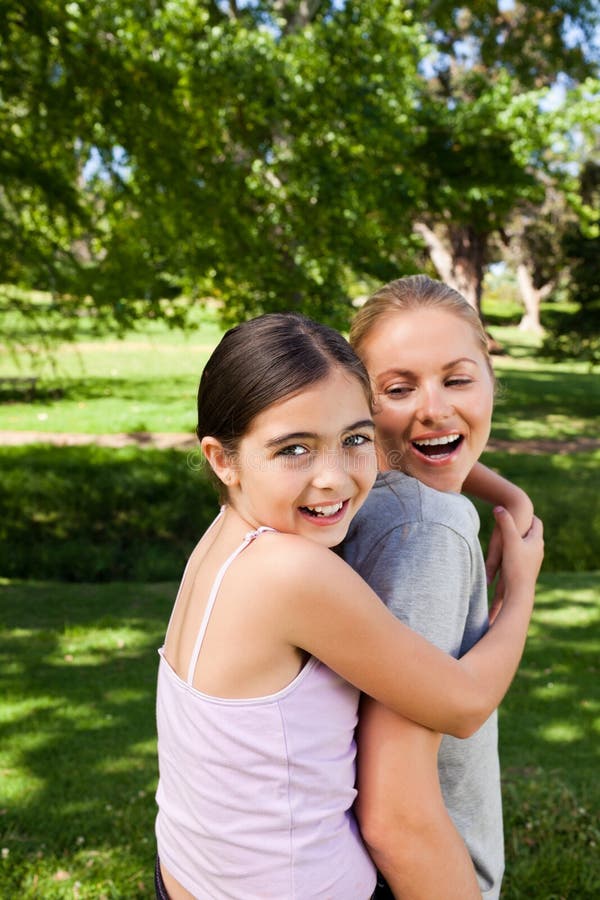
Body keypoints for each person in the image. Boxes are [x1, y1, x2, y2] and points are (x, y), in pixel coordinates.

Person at [154, 311, 543, 900]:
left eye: (354, 439)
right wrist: (521, 589)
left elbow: (379, 445)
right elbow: (463, 705)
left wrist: (507, 493)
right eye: (294, 450)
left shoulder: (226, 540)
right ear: (221, 458)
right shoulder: (294, 573)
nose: (334, 478)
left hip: (188, 877)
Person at [343, 274, 530, 899]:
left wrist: (508, 494)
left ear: (489, 379)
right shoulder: (428, 532)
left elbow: (432, 447)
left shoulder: (351, 492)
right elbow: (394, 816)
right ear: (360, 407)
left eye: (456, 379)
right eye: (399, 388)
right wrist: (520, 589)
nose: (434, 408)